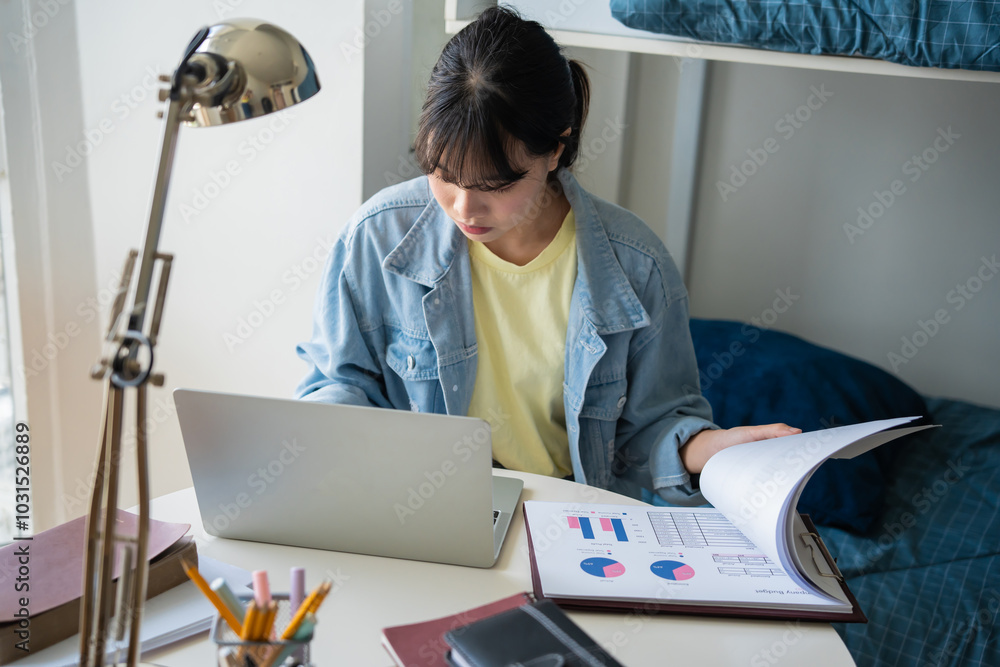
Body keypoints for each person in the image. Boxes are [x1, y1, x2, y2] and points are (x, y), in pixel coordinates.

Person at [295, 6, 798, 505]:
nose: (464, 207)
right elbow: (340, 381)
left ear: (556, 149)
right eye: (444, 174)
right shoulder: (375, 237)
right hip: (421, 507)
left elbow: (652, 428)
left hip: (567, 514)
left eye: (496, 184)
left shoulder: (637, 267)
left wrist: (711, 448)